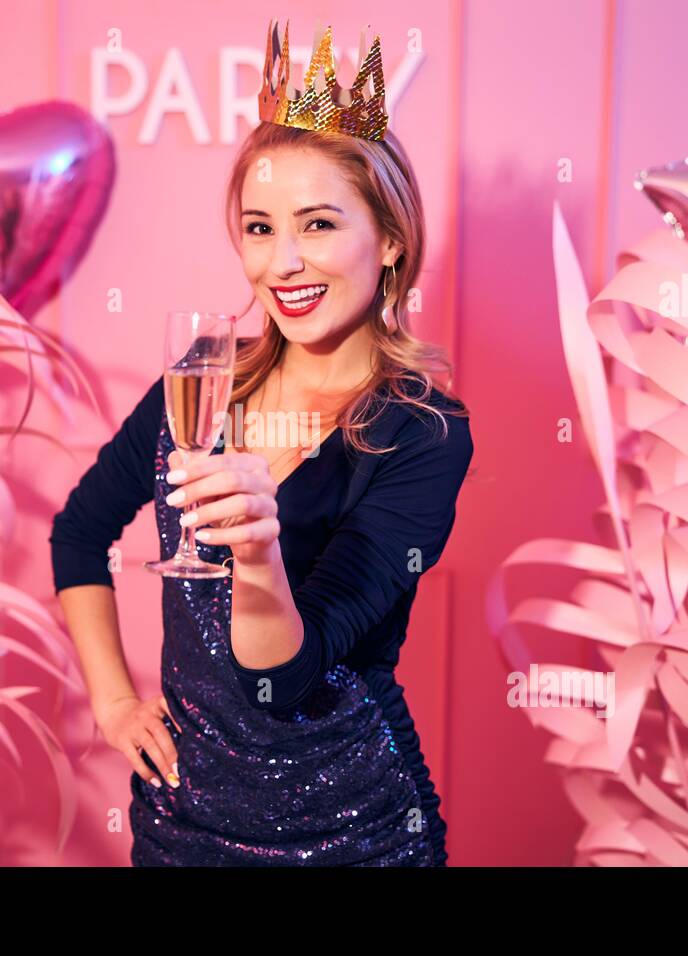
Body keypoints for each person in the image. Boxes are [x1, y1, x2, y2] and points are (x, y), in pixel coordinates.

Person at [49, 21, 473, 866]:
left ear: (391, 239)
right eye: (258, 227)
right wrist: (113, 701)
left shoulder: (422, 431)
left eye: (318, 225)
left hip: (357, 834)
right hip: (180, 830)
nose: (282, 264)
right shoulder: (201, 382)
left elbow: (280, 680)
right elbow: (78, 534)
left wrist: (255, 548)